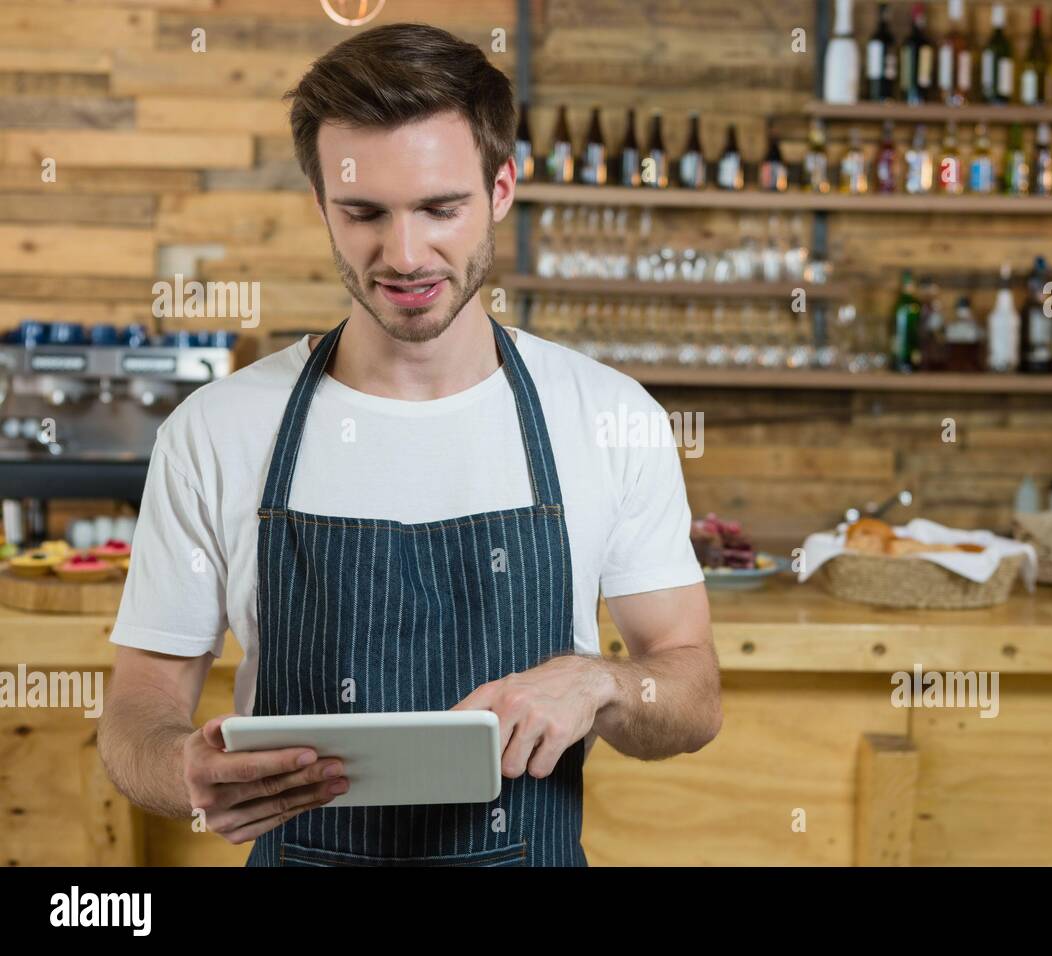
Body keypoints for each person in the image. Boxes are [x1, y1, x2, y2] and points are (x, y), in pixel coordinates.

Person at [97, 22, 720, 867]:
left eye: (440, 207)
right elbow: (138, 701)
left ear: (501, 187)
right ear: (320, 203)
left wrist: (603, 681)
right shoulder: (216, 430)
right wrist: (179, 767)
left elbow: (689, 688)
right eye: (363, 213)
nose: (404, 255)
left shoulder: (608, 415)